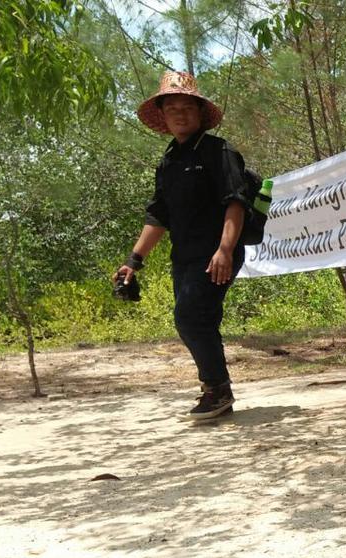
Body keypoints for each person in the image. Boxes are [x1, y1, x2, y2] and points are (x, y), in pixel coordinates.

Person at [114, 71, 250, 420]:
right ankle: (217, 391)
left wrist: (225, 250)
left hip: (217, 253)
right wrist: (134, 260)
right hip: (185, 257)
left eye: (186, 106)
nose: (179, 112)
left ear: (200, 112)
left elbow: (236, 202)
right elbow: (159, 215)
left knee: (190, 317)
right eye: (171, 107)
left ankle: (216, 389)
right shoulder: (169, 160)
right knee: (199, 320)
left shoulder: (219, 151)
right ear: (162, 114)